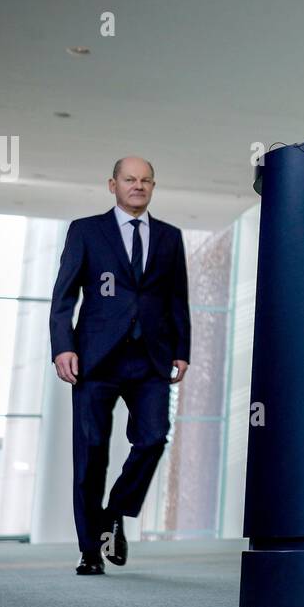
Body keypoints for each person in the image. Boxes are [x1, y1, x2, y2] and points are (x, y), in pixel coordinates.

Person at [50, 157, 190, 575]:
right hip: (96, 358)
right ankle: (90, 550)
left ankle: (115, 511)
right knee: (90, 454)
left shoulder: (169, 236)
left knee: (153, 438)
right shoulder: (86, 231)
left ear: (152, 187)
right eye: (130, 179)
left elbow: (176, 298)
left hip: (150, 358)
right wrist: (63, 347)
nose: (138, 186)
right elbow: (64, 296)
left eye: (146, 180)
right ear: (113, 184)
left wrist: (182, 349)